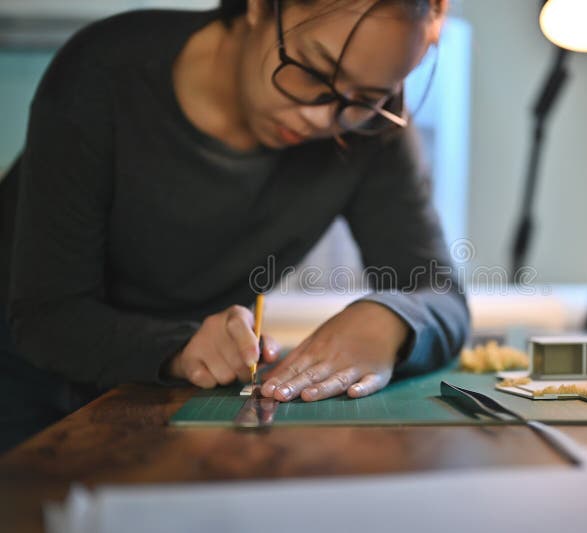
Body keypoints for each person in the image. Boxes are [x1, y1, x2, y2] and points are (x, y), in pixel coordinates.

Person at [0, 0, 470, 451]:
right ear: (260, 5)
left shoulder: (372, 130)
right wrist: (181, 347)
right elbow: (48, 315)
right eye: (311, 70)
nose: (322, 118)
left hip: (165, 402)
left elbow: (441, 297)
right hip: (20, 379)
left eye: (366, 97)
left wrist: (392, 321)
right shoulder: (105, 72)